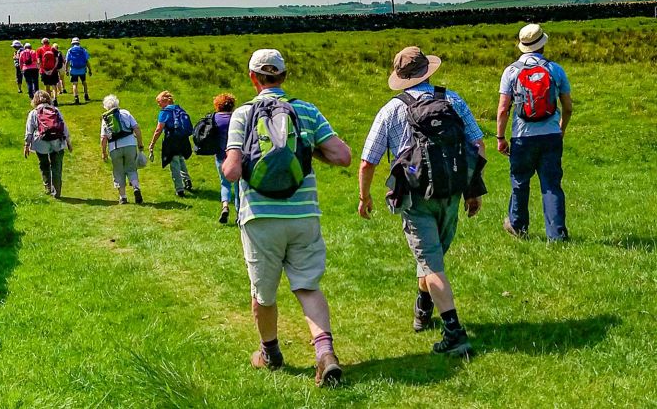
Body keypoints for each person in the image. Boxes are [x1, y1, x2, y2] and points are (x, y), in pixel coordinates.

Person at [220, 49, 352, 387]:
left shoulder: (243, 114)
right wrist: (308, 151)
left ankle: (270, 353)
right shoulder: (305, 110)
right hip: (303, 212)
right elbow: (342, 156)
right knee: (307, 285)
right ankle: (325, 353)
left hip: (260, 217)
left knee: (264, 293)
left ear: (253, 78)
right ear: (284, 77)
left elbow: (233, 171)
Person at [358, 46, 485, 357]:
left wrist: (365, 196)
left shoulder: (392, 110)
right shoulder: (452, 100)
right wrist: (471, 190)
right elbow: (478, 146)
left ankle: (454, 332)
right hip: (451, 191)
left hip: (415, 197)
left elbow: (367, 161)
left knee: (431, 263)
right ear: (428, 70)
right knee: (433, 258)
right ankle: (423, 307)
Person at [496, 24, 574, 242]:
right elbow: (568, 107)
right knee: (551, 184)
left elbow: (503, 109)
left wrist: (500, 137)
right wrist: (561, 128)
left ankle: (518, 225)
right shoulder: (555, 70)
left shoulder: (511, 72)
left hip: (522, 136)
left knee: (520, 181)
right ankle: (557, 234)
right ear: (542, 44)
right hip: (550, 135)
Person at [23, 91, 72, 198]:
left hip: (41, 143)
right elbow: (64, 127)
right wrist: (68, 141)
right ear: (48, 99)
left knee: (44, 164)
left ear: (35, 101)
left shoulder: (33, 113)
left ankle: (48, 187)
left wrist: (26, 145)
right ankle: (57, 191)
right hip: (57, 142)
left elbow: (29, 131)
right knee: (57, 166)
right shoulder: (56, 110)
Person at [147, 91, 194, 198]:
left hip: (172, 139)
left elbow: (159, 129)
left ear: (165, 100)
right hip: (183, 139)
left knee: (174, 163)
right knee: (180, 159)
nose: (158, 104)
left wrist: (152, 144)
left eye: (159, 102)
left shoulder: (165, 112)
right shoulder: (179, 109)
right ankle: (187, 180)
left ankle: (179, 189)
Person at [100, 94, 145, 204]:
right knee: (131, 168)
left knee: (118, 171)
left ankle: (123, 197)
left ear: (106, 107)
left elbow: (103, 138)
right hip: (130, 144)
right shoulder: (126, 113)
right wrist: (140, 144)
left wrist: (104, 152)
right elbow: (137, 128)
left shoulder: (105, 118)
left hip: (114, 147)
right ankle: (136, 188)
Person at [212, 93, 237, 225]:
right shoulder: (236, 118)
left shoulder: (215, 118)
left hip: (220, 156)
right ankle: (239, 213)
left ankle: (225, 206)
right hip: (237, 156)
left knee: (224, 183)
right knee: (238, 184)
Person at [66, 37, 92, 103]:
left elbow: (67, 61)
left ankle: (76, 98)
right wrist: (90, 70)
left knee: (75, 84)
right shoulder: (83, 50)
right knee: (84, 82)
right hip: (82, 69)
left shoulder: (70, 50)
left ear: (72, 43)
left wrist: (67, 70)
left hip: (74, 70)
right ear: (78, 43)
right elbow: (87, 61)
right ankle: (86, 95)